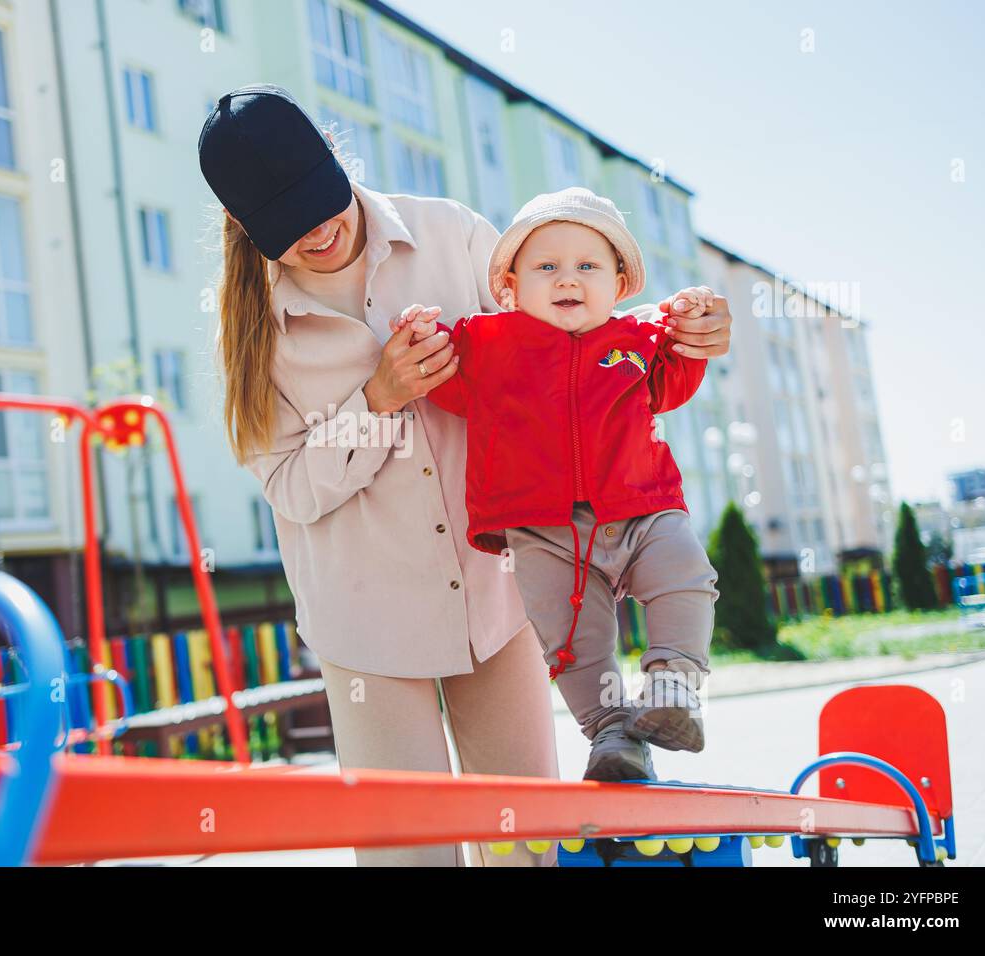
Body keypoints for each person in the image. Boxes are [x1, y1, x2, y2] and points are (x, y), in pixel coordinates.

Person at [198, 86, 732, 865]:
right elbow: (292, 487)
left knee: (526, 846)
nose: (318, 231)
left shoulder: (453, 236)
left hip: (497, 595)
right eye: (286, 225)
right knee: (410, 857)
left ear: (336, 163)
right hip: (368, 628)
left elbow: (572, 348)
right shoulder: (255, 333)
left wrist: (681, 340)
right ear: (246, 227)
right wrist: (377, 400)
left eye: (323, 201)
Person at [393, 186, 720, 783]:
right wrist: (421, 341)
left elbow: (672, 385)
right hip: (543, 530)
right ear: (512, 286)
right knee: (573, 641)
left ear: (619, 285)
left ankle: (673, 684)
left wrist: (689, 329)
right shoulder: (486, 344)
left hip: (643, 507)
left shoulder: (637, 340)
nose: (568, 279)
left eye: (587, 266)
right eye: (547, 267)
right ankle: (613, 734)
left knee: (686, 580)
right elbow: (444, 384)